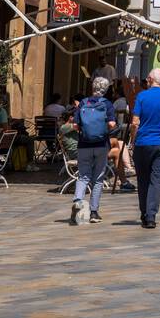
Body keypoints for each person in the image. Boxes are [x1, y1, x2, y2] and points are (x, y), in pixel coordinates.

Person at [129, 68, 160, 229]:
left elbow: (135, 122)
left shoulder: (142, 96)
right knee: (156, 179)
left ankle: (144, 212)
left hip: (143, 142)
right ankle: (151, 215)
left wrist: (132, 140)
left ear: (150, 79)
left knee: (142, 179)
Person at [72, 76, 116, 222]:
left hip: (84, 145)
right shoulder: (107, 104)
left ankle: (78, 201)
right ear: (106, 89)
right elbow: (111, 124)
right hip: (101, 145)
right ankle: (93, 213)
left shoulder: (83, 103)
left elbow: (75, 125)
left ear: (93, 88)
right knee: (97, 179)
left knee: (83, 176)